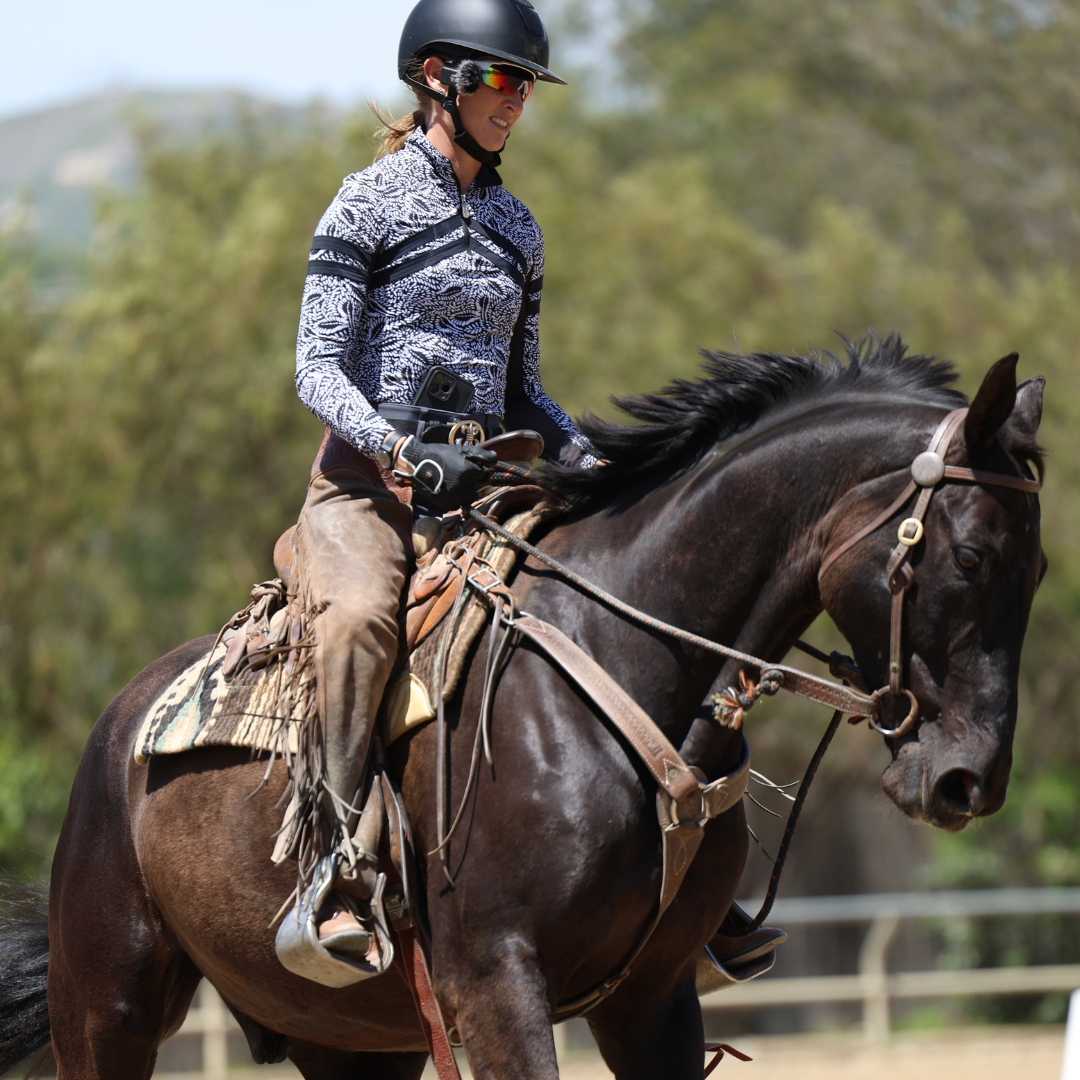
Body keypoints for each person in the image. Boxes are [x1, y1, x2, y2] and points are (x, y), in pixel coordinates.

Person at [290, 0, 596, 954]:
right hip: (366, 493)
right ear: (436, 78)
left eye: (524, 88)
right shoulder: (367, 202)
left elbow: (525, 393)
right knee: (357, 622)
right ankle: (336, 866)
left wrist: (594, 458)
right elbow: (314, 365)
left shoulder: (520, 227)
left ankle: (672, 881)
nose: (516, 104)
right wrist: (394, 449)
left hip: (487, 493)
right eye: (501, 81)